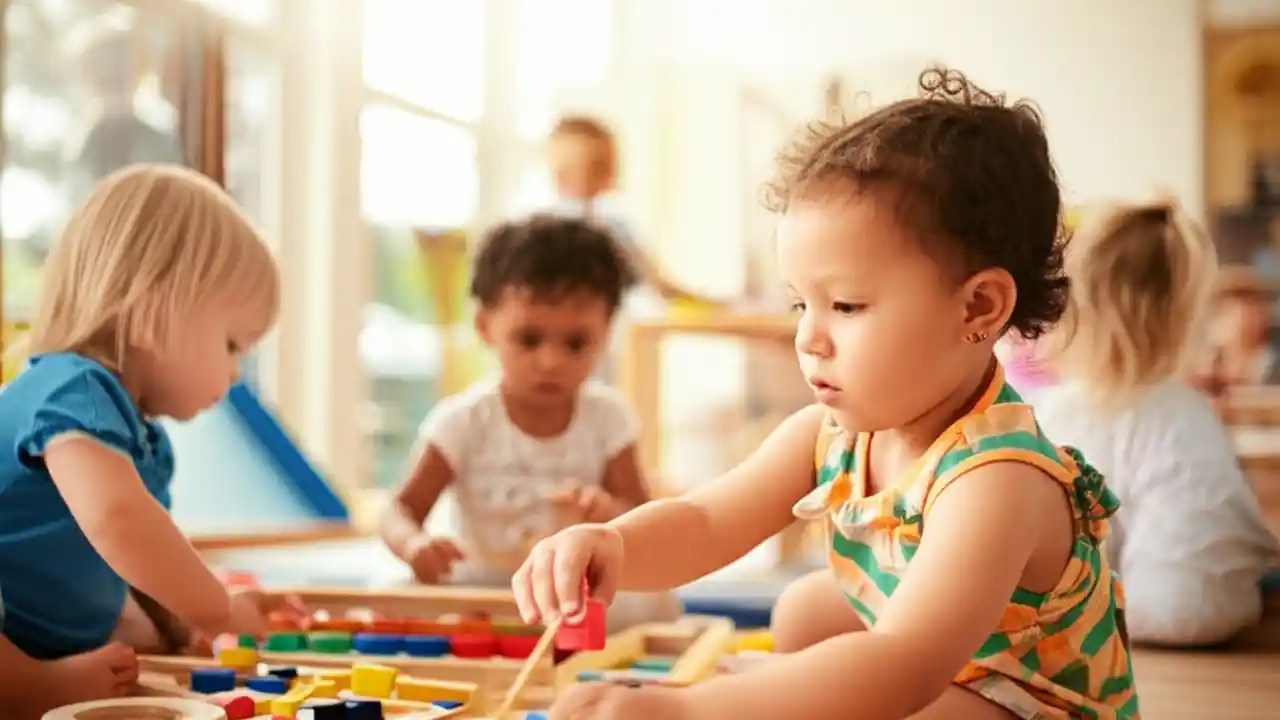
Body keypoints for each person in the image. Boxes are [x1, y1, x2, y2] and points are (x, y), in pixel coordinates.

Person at [512, 67, 1138, 720]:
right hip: (945, 657)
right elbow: (706, 521)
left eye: (844, 304)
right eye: (799, 303)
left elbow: (903, 664)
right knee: (803, 611)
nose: (809, 337)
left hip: (1026, 698)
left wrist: (685, 711)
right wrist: (615, 545)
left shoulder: (998, 481)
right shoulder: (828, 434)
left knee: (904, 696)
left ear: (977, 307)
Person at [0, 165, 297, 670]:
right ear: (151, 307)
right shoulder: (75, 392)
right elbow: (118, 521)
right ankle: (39, 687)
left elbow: (142, 566)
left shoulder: (142, 440)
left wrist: (184, 621)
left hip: (51, 631)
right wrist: (219, 610)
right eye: (231, 345)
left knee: (135, 629)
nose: (234, 373)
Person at [381, 215, 679, 629]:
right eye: (529, 339)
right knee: (393, 601)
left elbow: (642, 515)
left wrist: (610, 510)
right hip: (479, 592)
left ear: (606, 332)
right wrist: (415, 544)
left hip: (570, 593)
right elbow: (400, 508)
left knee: (654, 603)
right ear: (485, 326)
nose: (551, 362)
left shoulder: (608, 418)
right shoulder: (463, 420)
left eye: (576, 343)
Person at [1030, 201, 1280, 646]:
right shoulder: (1184, 413)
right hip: (1203, 624)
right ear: (1184, 316)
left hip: (1121, 627)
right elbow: (1193, 593)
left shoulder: (1047, 414)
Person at [546, 115, 712, 305]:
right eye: (571, 169)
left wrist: (701, 303)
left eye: (598, 167)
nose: (583, 179)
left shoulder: (616, 226)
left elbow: (656, 282)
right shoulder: (544, 234)